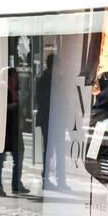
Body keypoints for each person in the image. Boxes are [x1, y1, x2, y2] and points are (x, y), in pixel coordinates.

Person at [0, 66, 28, 196]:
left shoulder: (13, 90)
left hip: (14, 130)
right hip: (2, 131)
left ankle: (16, 184)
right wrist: (9, 106)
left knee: (18, 157)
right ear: (8, 77)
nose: (17, 79)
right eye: (14, 76)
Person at [35, 53, 67, 190]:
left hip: (57, 120)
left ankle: (60, 181)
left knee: (60, 150)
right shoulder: (44, 80)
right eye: (58, 65)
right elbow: (44, 101)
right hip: (48, 120)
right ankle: (46, 180)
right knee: (49, 151)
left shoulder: (58, 79)